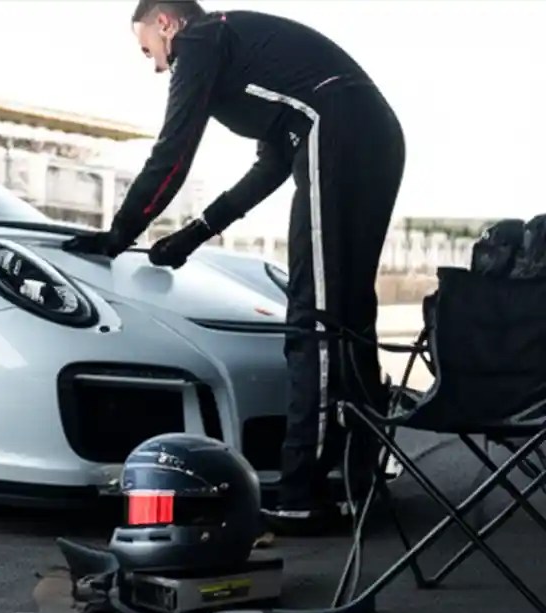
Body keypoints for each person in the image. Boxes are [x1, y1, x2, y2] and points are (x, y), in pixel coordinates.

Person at [63, 1, 406, 534]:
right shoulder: (255, 59)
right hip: (370, 133)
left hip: (339, 129)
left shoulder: (200, 40)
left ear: (165, 23)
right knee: (346, 316)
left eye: (149, 51)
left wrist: (119, 234)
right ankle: (355, 482)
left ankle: (303, 495)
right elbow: (272, 163)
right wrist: (195, 233)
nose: (156, 67)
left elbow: (174, 148)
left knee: (313, 321)